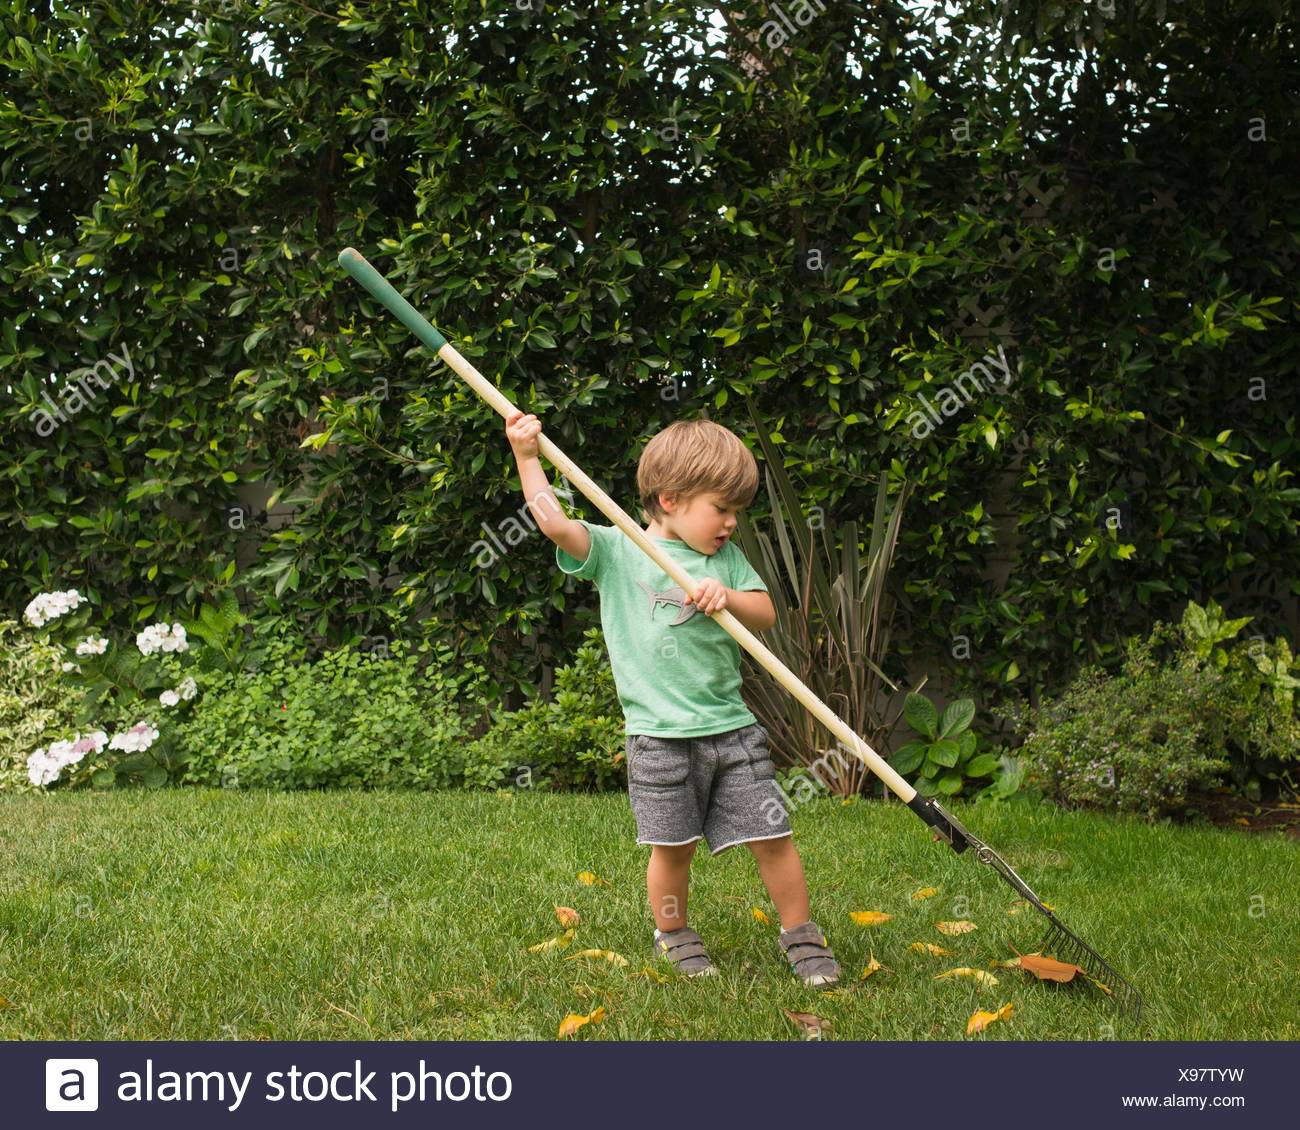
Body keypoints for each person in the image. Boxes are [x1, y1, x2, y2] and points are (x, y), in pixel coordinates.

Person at [505, 410, 840, 986]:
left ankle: (801, 934)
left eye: (737, 511)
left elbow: (765, 612)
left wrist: (726, 595)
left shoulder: (723, 560)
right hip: (659, 738)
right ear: (670, 498)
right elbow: (554, 524)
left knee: (774, 835)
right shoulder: (618, 549)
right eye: (722, 508)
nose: (731, 523)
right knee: (672, 847)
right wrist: (527, 457)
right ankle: (674, 932)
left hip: (732, 730)